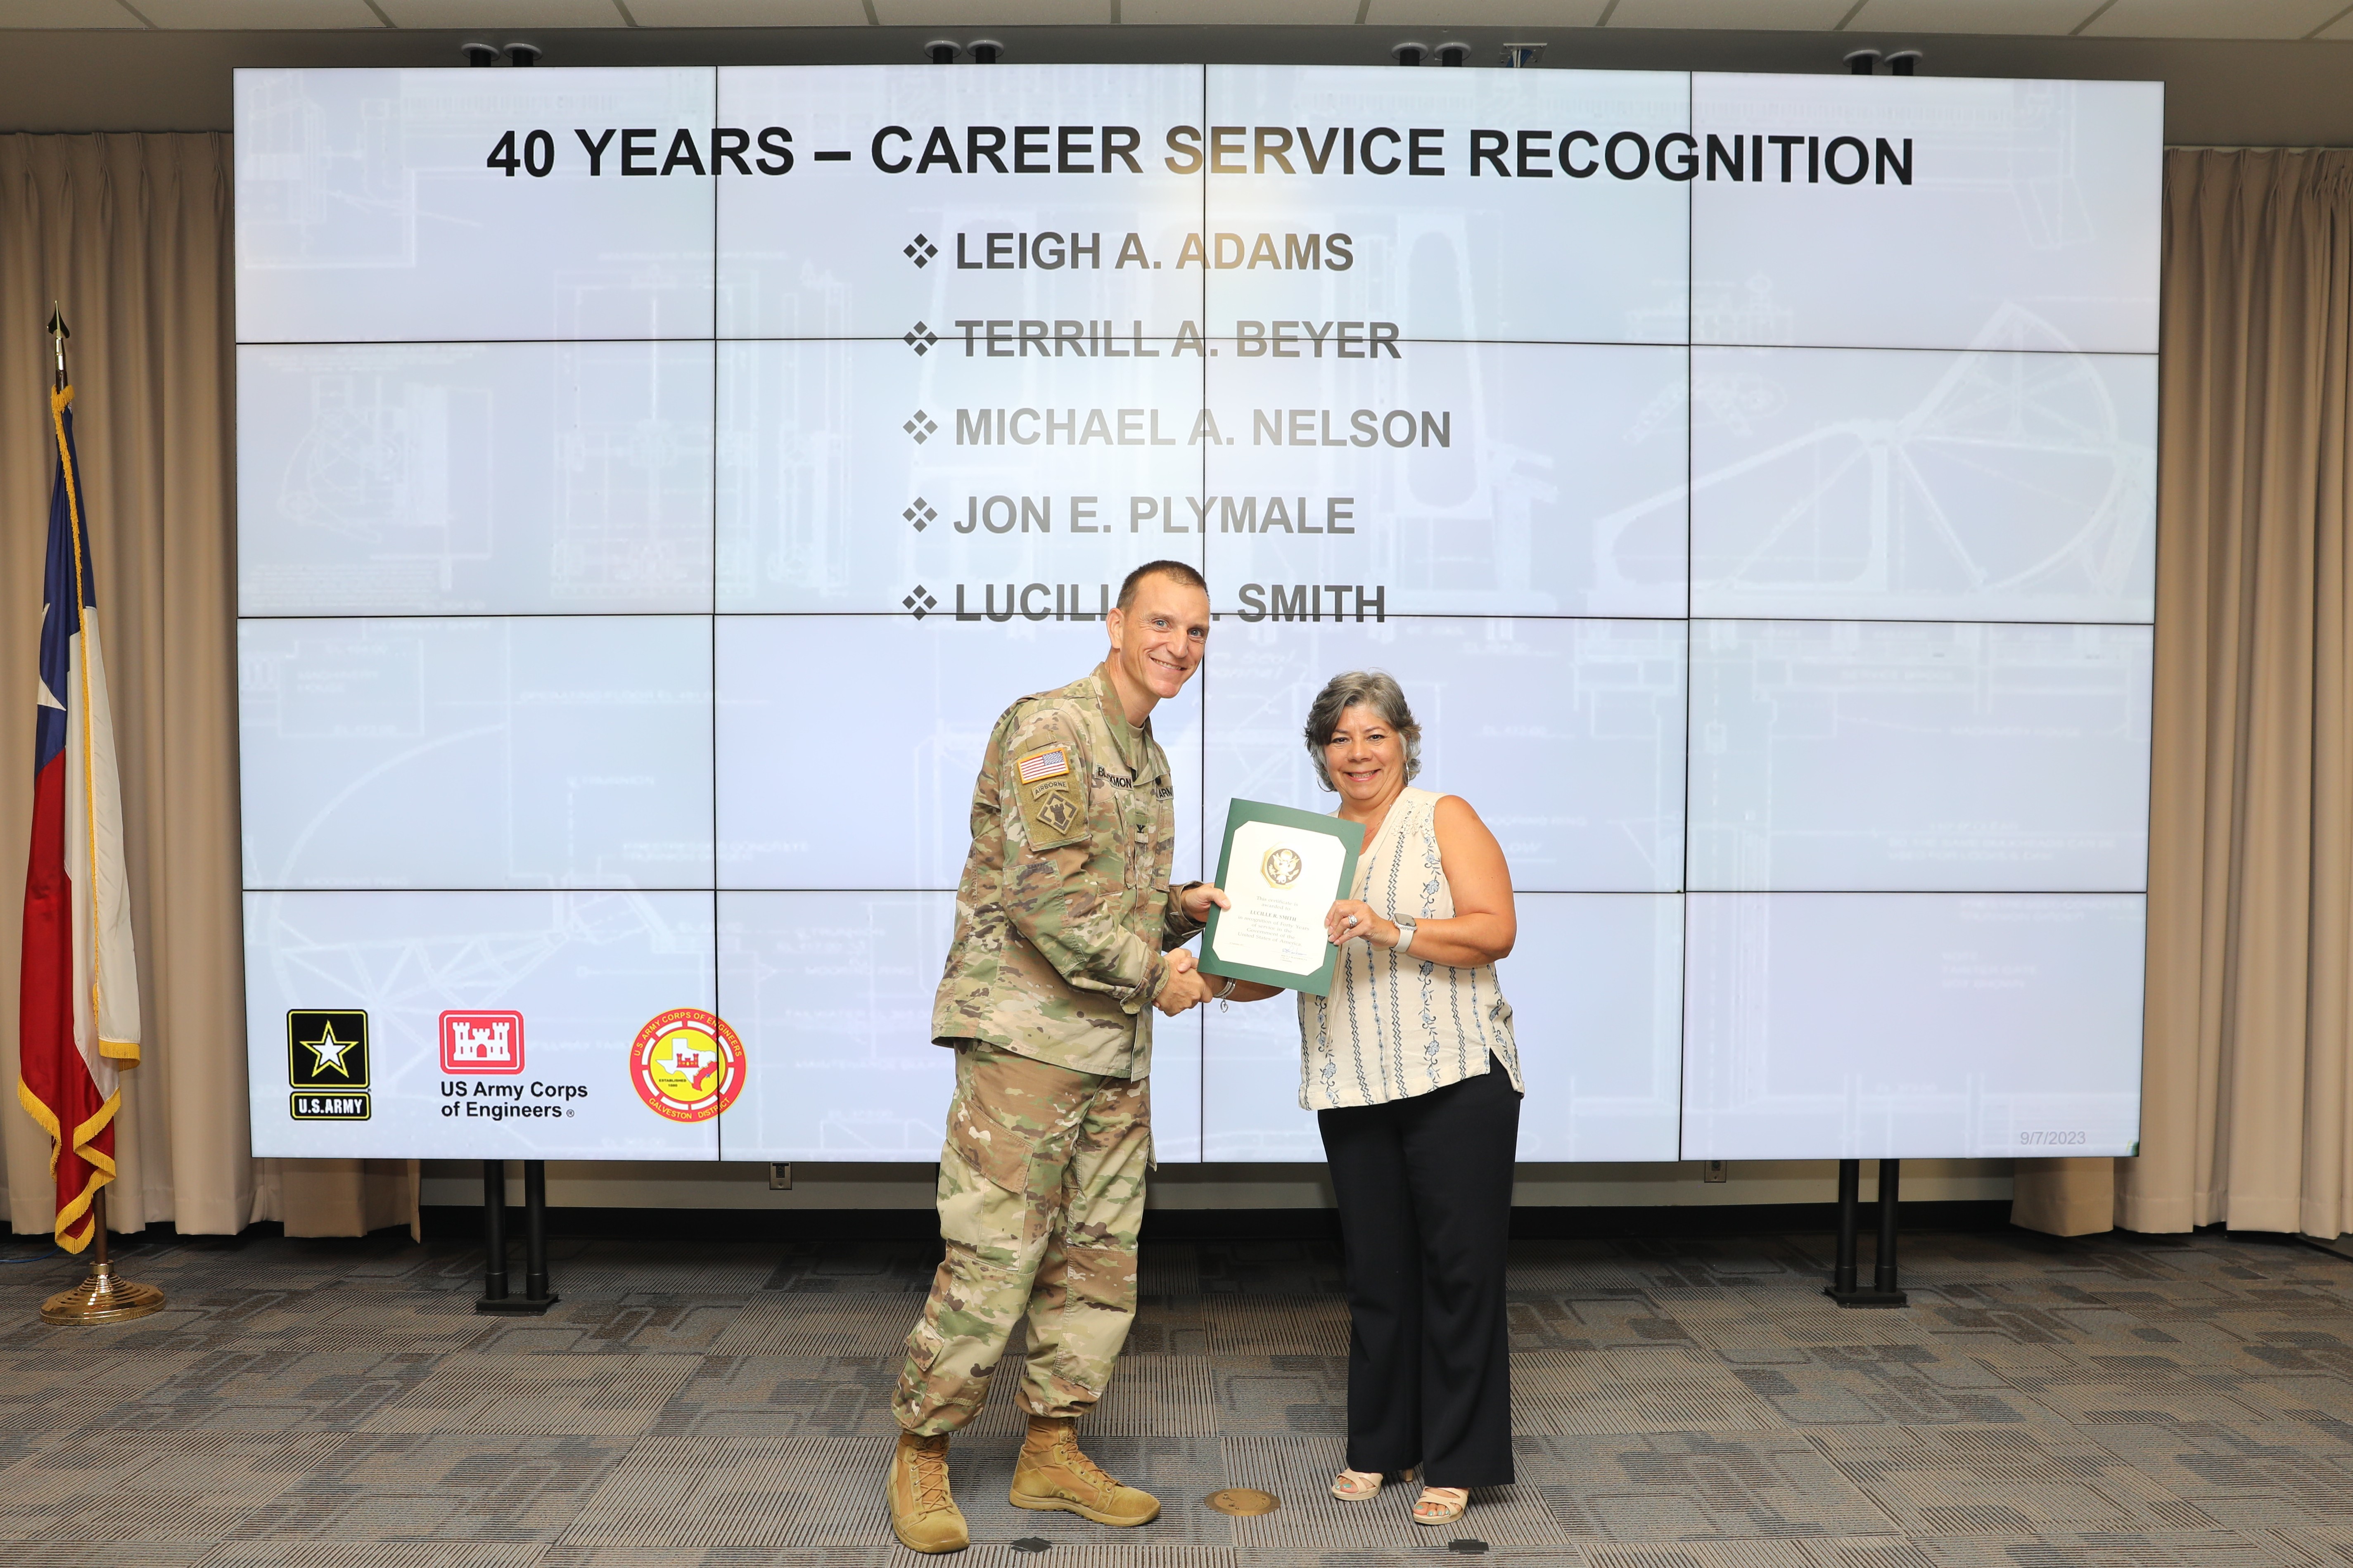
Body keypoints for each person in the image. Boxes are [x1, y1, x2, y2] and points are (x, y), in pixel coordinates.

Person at [885, 560, 1229, 1556]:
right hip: (1029, 1044)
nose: (1178, 646)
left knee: (1095, 1259)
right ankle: (922, 1449)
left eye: (1198, 633)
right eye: (1161, 624)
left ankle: (1050, 1450)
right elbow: (1044, 903)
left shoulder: (1144, 752)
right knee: (995, 1254)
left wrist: (1181, 907)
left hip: (1111, 1046)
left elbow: (1106, 892)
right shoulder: (1054, 727)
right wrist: (1157, 969)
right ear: (1116, 623)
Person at [1206, 670, 1522, 1528]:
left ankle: (1456, 1461)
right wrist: (1213, 978)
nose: (1358, 753)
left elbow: (1495, 927)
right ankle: (1382, 1446)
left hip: (1456, 1077)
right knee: (1378, 1277)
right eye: (1339, 739)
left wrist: (1394, 929)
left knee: (1457, 1275)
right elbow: (1277, 972)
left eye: (1374, 735)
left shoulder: (1440, 817)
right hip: (1351, 1082)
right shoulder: (1307, 847)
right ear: (1319, 754)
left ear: (1404, 742)